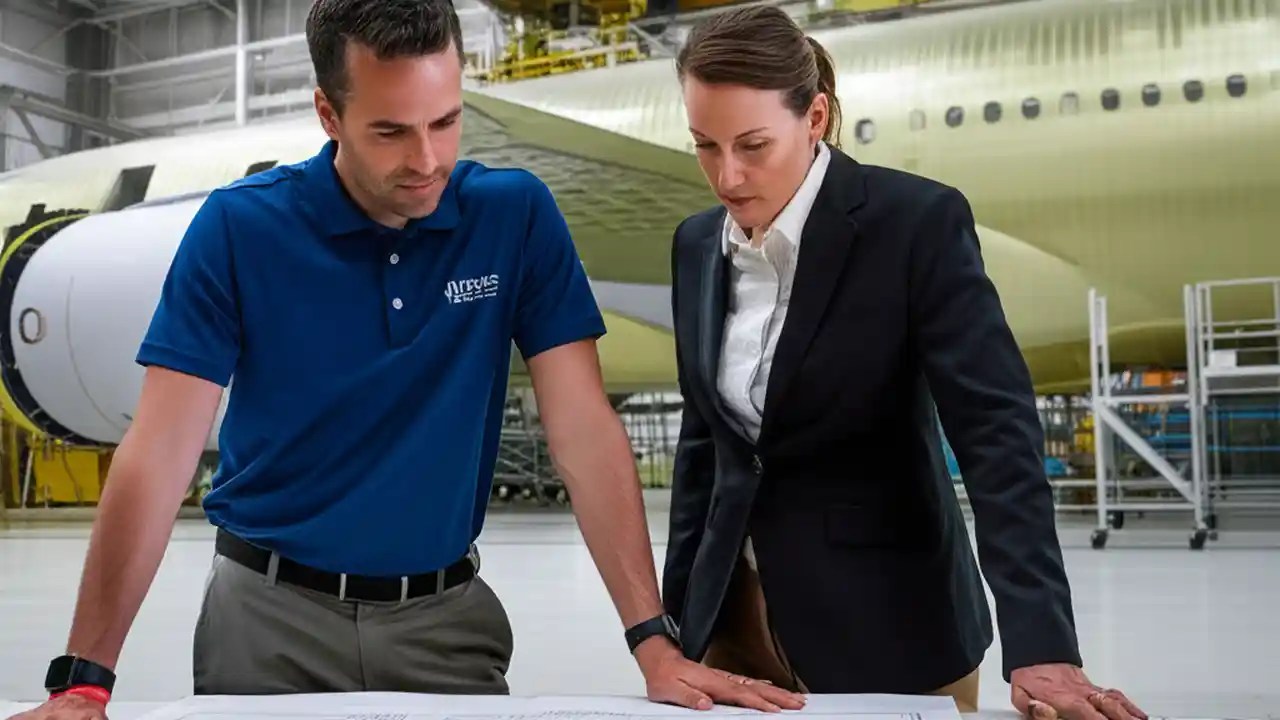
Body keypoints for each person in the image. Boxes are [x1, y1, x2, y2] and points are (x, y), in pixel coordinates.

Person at [8, 2, 807, 719]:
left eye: (446, 122)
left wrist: (651, 640)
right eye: (391, 130)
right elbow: (157, 454)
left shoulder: (513, 215)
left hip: (446, 626)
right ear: (328, 112)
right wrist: (85, 677)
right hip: (266, 625)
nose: (426, 159)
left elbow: (584, 433)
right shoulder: (238, 231)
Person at [660, 6, 1149, 720]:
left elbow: (996, 436)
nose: (727, 176)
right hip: (730, 632)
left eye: (753, 145)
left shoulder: (913, 224)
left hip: (889, 626)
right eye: (705, 145)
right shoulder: (696, 245)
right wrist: (674, 629)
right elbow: (704, 447)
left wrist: (1041, 641)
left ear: (816, 116)